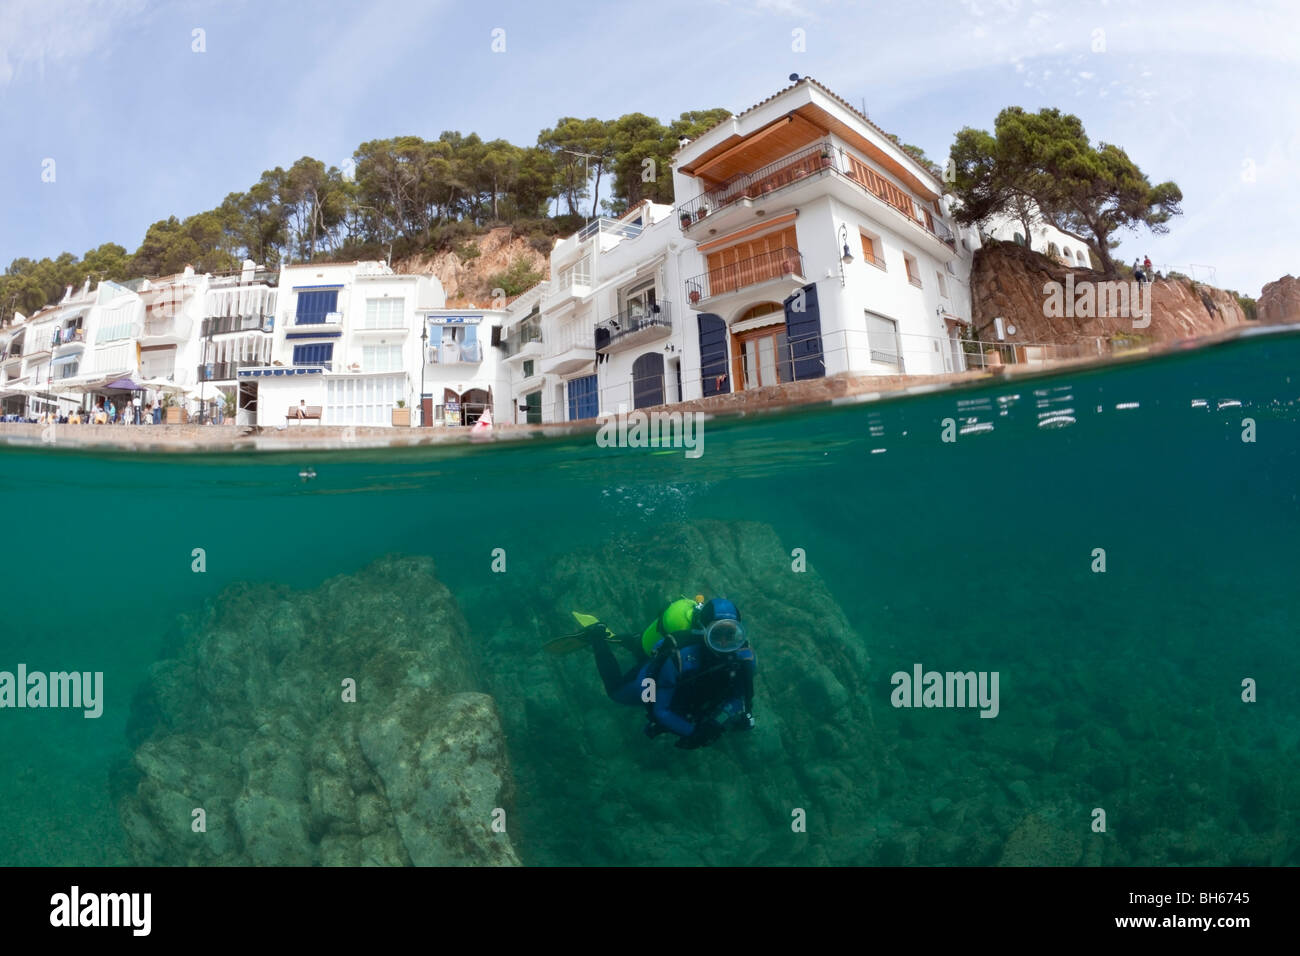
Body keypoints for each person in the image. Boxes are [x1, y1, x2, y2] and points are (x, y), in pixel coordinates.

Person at [583, 597, 756, 750]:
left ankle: (637, 642)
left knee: (640, 649)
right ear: (704, 631)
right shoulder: (681, 658)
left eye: (731, 633)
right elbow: (660, 711)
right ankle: (597, 638)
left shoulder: (744, 658)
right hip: (650, 680)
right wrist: (694, 731)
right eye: (716, 634)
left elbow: (739, 696)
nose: (724, 643)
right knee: (616, 692)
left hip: (685, 691)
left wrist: (717, 722)